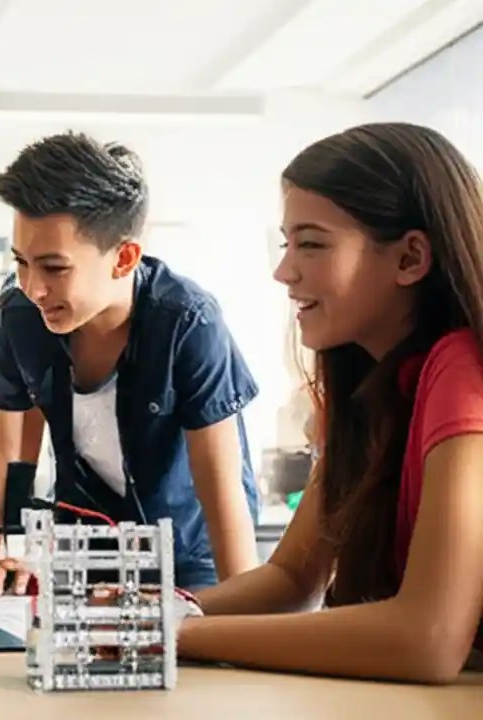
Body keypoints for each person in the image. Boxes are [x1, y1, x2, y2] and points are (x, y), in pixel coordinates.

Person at [178, 122, 483, 682]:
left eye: (311, 244)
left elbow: (428, 640)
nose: (283, 271)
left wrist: (178, 635)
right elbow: (294, 578)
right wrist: (161, 612)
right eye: (286, 242)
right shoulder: (373, 388)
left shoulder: (462, 371)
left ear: (410, 258)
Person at [0, 132, 262, 594]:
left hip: (186, 555)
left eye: (53, 267)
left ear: (124, 257)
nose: (32, 287)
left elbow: (222, 491)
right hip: (83, 547)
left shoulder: (188, 323)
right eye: (21, 262)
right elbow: (12, 442)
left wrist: (246, 622)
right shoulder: (20, 315)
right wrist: (3, 548)